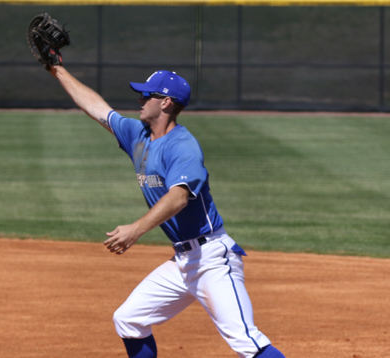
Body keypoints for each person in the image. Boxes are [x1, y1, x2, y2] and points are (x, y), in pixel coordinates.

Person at [45, 64, 286, 358]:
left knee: (246, 341)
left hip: (211, 259)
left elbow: (178, 198)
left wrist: (135, 229)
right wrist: (56, 69)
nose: (140, 101)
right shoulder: (138, 136)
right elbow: (97, 108)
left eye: (146, 95)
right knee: (129, 320)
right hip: (182, 262)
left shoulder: (183, 146)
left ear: (165, 102)